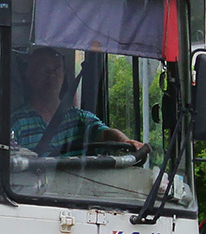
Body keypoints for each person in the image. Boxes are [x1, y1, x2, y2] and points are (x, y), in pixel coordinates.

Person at [11, 47, 143, 156]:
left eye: (57, 69)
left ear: (63, 75)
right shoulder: (17, 123)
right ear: (29, 74)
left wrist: (125, 141)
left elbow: (105, 133)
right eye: (43, 69)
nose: (52, 76)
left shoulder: (80, 119)